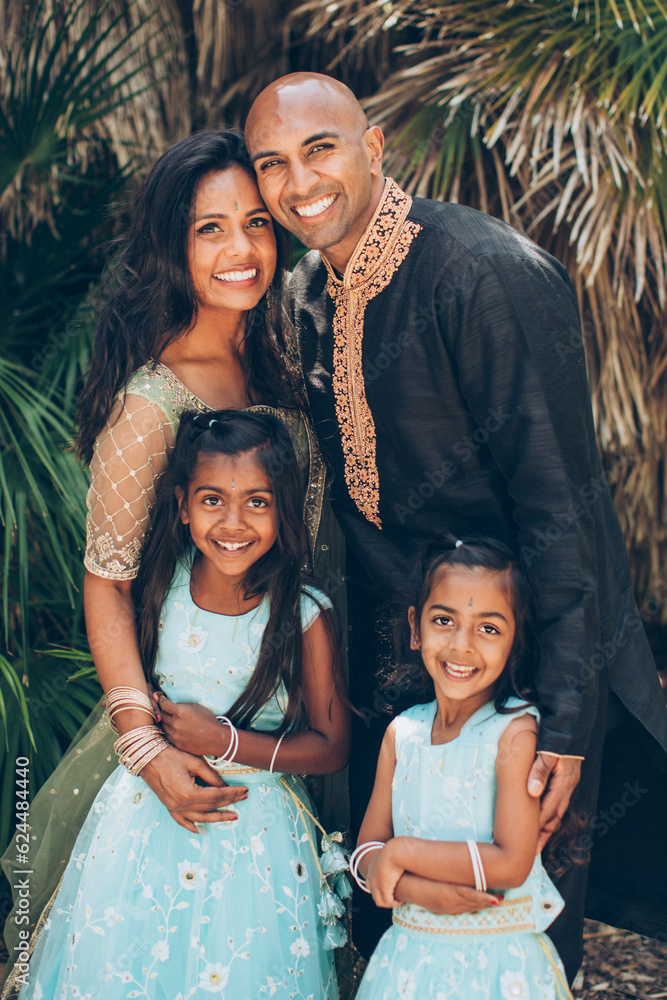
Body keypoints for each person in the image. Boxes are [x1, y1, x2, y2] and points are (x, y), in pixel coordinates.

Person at [244, 72, 667, 979]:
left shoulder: (482, 274)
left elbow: (561, 512)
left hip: (518, 667)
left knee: (511, 938)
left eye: (319, 149)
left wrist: (562, 723)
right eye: (270, 163)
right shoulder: (307, 293)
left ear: (373, 148)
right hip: (400, 674)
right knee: (401, 934)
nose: (297, 182)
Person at [1, 128, 337, 989]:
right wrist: (146, 750)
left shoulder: (277, 356)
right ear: (170, 246)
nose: (241, 250)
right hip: (177, 734)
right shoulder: (152, 401)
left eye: (256, 224)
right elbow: (105, 584)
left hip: (285, 704)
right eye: (209, 229)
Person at [13, 409, 350, 1000]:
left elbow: (332, 747)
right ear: (182, 505)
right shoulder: (158, 590)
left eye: (258, 502)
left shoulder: (302, 614)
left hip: (257, 834)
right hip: (146, 819)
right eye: (213, 500)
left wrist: (226, 742)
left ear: (284, 509)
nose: (233, 522)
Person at [351, 536, 573, 1000]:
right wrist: (418, 890)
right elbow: (367, 850)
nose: (461, 645)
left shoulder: (514, 731)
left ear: (515, 643)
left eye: (488, 628)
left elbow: (511, 864)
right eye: (443, 621)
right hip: (407, 962)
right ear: (415, 628)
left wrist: (402, 854)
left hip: (496, 966)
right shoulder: (402, 734)